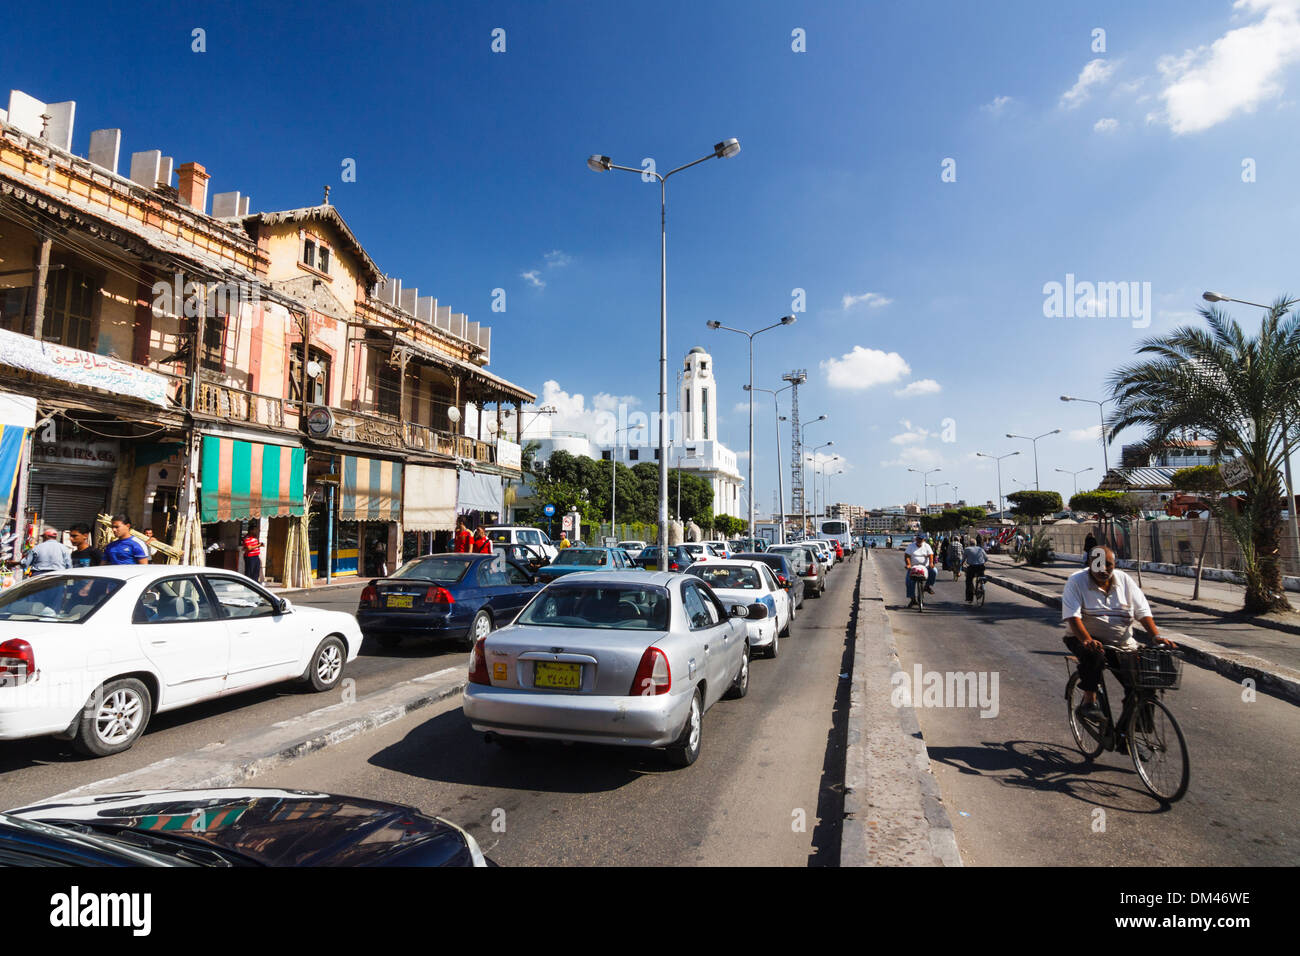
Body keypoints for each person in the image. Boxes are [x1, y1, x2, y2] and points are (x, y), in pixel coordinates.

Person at [1063, 546, 1178, 721]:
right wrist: (1086, 639)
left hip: (1123, 644)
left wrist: (1156, 636)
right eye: (1098, 565)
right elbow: (1073, 616)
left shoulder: (1124, 580)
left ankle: (1131, 735)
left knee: (1143, 683)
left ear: (1114, 564)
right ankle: (1089, 701)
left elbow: (1143, 612)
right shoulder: (1076, 581)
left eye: (1108, 565)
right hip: (1084, 638)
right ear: (1089, 564)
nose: (1103, 570)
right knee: (1094, 654)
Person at [904, 533, 936, 607]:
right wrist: (908, 564)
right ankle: (912, 599)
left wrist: (931, 563)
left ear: (923, 540)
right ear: (916, 539)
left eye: (921, 539)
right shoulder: (911, 546)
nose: (919, 540)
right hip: (913, 567)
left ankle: (927, 586)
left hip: (925, 567)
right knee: (908, 581)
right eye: (918, 539)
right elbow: (907, 556)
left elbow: (931, 555)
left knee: (934, 571)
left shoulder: (927, 546)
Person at [962, 534, 988, 603]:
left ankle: (969, 598)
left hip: (972, 567)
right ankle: (981, 588)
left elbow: (963, 559)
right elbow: (986, 558)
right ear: (976, 543)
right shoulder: (980, 549)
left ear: (969, 544)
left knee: (969, 581)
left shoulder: (967, 549)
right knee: (983, 577)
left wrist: (961, 564)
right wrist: (983, 562)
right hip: (981, 566)